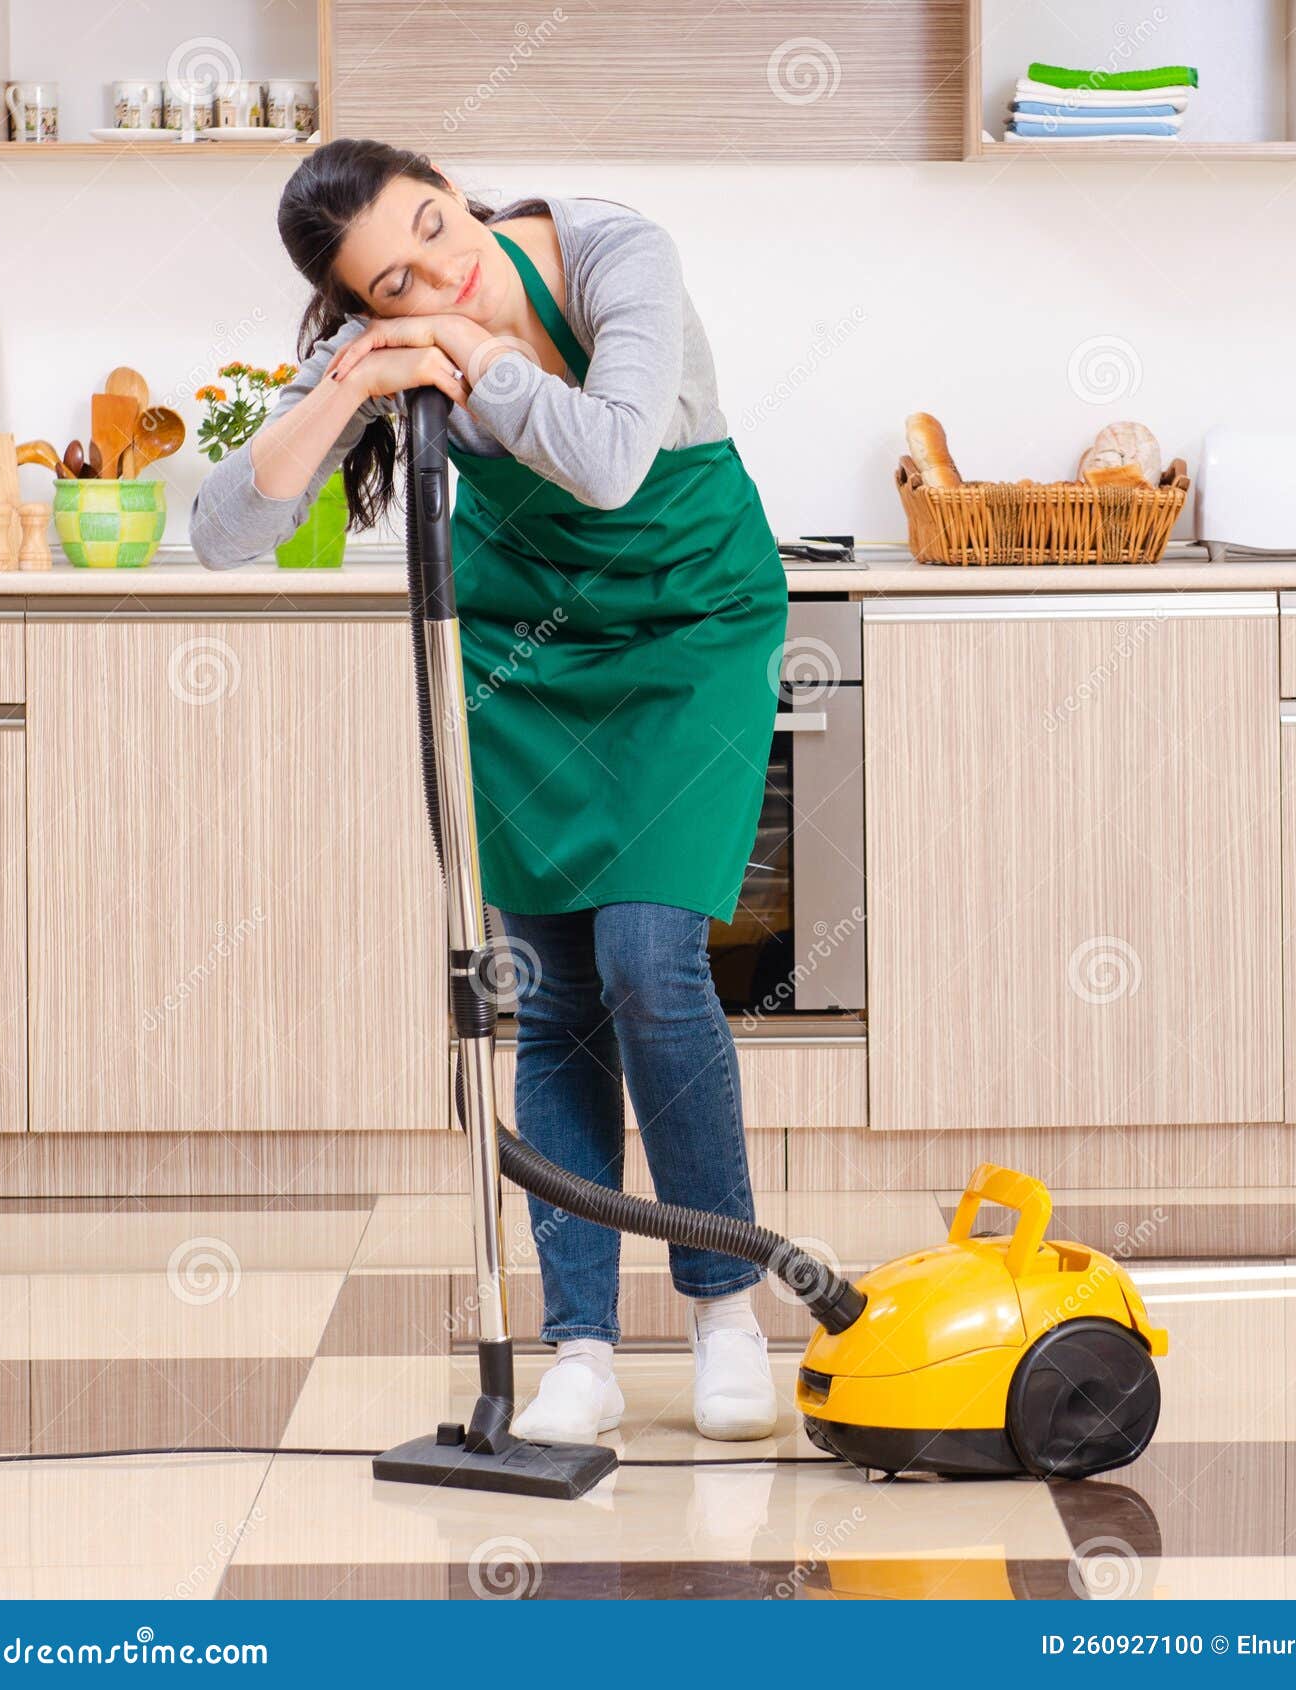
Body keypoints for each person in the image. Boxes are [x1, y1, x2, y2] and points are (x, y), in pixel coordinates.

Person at [190, 138, 788, 1444]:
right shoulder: (384, 334)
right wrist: (350, 380)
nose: (437, 272)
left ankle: (724, 1310)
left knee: (650, 960)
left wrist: (470, 355)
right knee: (555, 992)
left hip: (691, 632)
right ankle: (581, 1344)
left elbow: (613, 458)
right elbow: (224, 530)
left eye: (431, 225)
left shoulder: (615, 253)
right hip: (525, 662)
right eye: (393, 283)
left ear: (450, 187)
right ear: (361, 300)